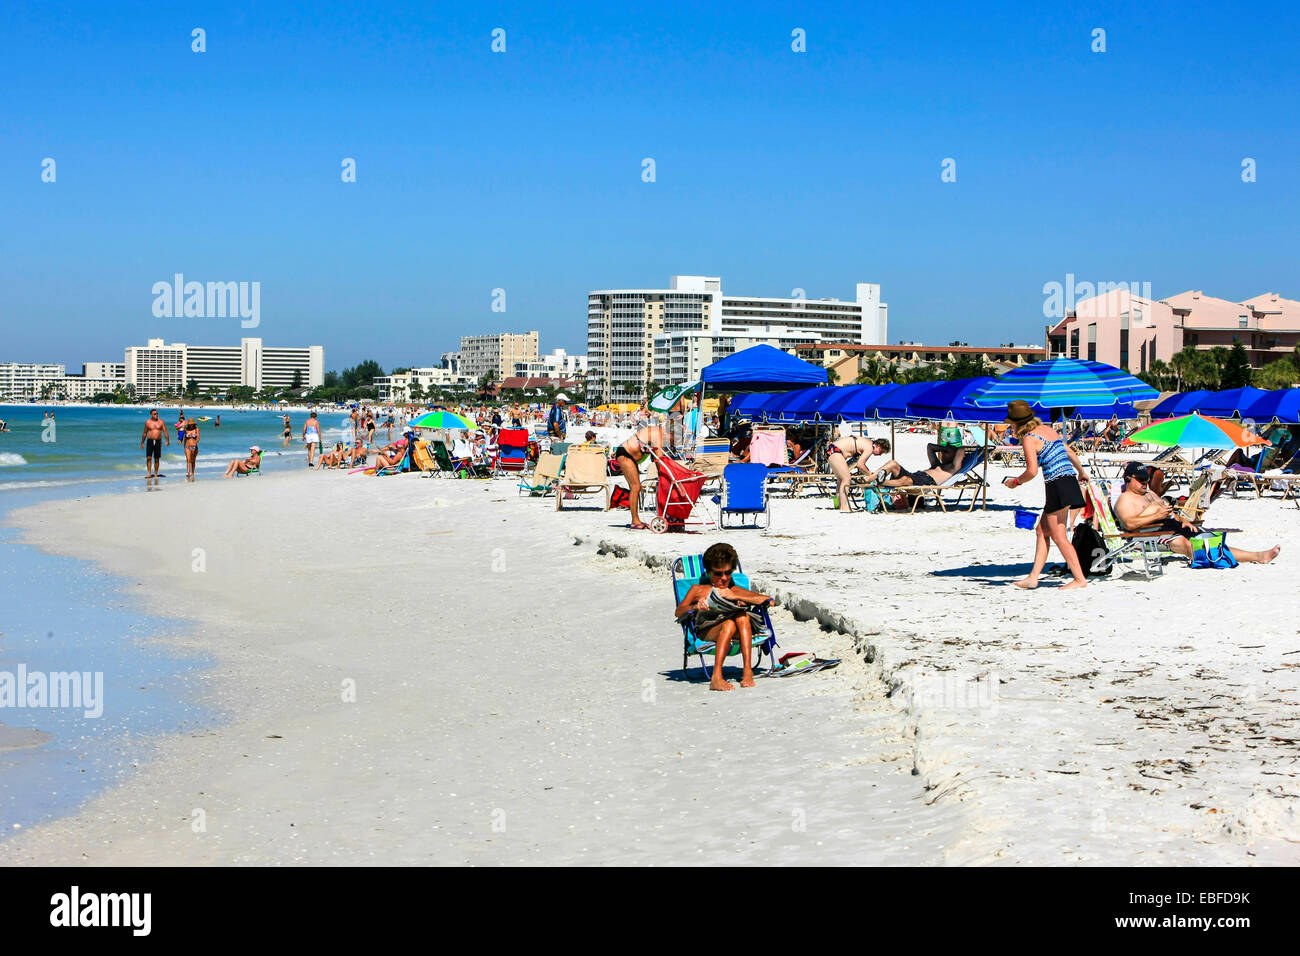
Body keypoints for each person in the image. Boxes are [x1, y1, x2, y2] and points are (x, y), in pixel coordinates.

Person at [1000, 399, 1089, 590]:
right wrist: (1081, 472)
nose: (1010, 428)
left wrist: (1015, 482)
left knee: (1059, 536)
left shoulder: (1029, 439)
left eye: (1011, 424)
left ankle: (1080, 579)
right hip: (1068, 481)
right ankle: (1033, 577)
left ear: (1018, 423)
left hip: (1058, 485)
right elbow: (1069, 451)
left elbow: (1031, 471)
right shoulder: (1049, 430)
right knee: (1042, 531)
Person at [1115, 462, 1280, 564]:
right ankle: (1236, 558)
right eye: (1141, 480)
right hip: (1150, 535)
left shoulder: (1149, 494)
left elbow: (1169, 511)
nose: (1145, 483)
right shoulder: (1125, 500)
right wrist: (1157, 516)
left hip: (1170, 527)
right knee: (1186, 544)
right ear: (1128, 479)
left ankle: (1257, 555)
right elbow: (1129, 524)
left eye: (1146, 479)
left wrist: (1182, 520)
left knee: (1211, 540)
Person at [673, 542, 777, 692]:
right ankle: (716, 677)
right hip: (708, 631)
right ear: (709, 572)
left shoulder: (733, 588)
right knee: (728, 623)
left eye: (728, 573)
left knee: (742, 616)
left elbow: (768, 599)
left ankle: (747, 671)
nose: (724, 578)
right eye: (718, 573)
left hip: (736, 632)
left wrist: (734, 595)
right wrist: (695, 607)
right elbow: (679, 611)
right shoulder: (698, 590)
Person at [827, 434, 891, 513]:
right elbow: (860, 465)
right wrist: (870, 475)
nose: (880, 454)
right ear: (878, 445)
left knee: (841, 480)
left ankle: (840, 505)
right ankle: (844, 506)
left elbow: (859, 464)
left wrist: (868, 473)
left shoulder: (868, 443)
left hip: (833, 449)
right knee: (846, 478)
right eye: (881, 451)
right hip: (836, 451)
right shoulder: (870, 447)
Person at [874, 444, 964, 490]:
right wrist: (944, 448)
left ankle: (882, 482)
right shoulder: (937, 465)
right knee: (893, 463)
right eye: (943, 452)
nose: (942, 455)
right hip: (915, 476)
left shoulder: (953, 468)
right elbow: (930, 447)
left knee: (905, 479)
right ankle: (873, 477)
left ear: (954, 456)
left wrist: (950, 449)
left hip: (927, 481)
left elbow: (961, 449)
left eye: (946, 453)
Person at [613, 434, 653, 530]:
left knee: (636, 487)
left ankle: (635, 520)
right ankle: (635, 521)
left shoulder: (659, 435)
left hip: (628, 454)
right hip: (625, 454)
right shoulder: (658, 436)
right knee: (635, 487)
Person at [141, 409, 170, 478]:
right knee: (149, 458)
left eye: (157, 413)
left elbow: (165, 431)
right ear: (151, 415)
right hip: (150, 441)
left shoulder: (161, 422)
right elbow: (145, 433)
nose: (156, 415)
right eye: (154, 414)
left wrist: (167, 440)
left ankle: (156, 473)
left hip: (158, 441)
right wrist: (142, 442)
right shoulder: (148, 422)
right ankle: (149, 473)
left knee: (157, 458)